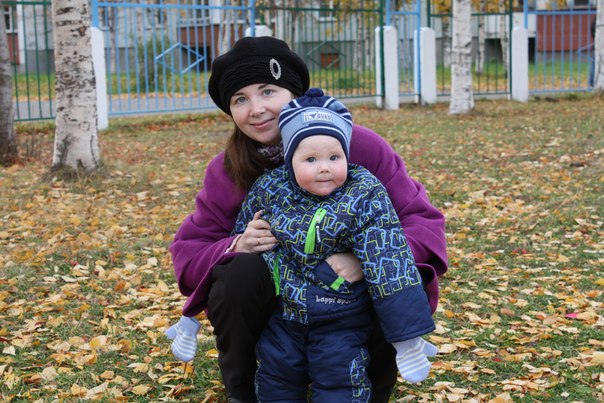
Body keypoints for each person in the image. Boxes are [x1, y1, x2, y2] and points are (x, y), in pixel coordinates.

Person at [167, 36, 448, 403]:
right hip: (279, 302)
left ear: (294, 93)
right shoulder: (227, 169)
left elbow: (422, 222)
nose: (256, 109)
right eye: (240, 99)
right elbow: (189, 252)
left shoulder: (359, 146)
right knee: (238, 275)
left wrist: (366, 256)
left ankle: (373, 384)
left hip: (349, 303)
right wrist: (235, 245)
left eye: (267, 91)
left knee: (387, 267)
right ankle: (244, 392)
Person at [231, 87, 437, 400]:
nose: (324, 167)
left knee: (340, 378)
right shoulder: (271, 190)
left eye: (334, 157)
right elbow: (239, 236)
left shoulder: (362, 193)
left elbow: (388, 258)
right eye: (311, 159)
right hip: (286, 313)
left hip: (340, 314)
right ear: (290, 161)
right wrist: (241, 241)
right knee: (277, 376)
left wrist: (407, 339)